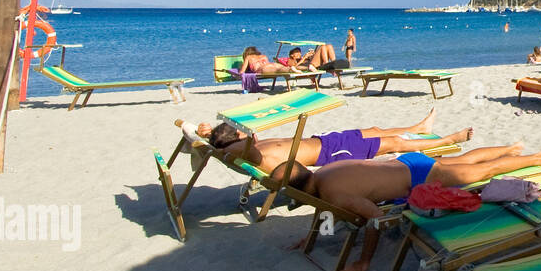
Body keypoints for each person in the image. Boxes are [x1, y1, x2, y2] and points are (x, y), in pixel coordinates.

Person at [289, 143, 541, 271]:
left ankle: (538, 158)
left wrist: (363, 262)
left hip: (418, 176)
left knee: (481, 172)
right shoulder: (323, 173)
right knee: (464, 161)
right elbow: (329, 208)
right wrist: (311, 236)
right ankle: (510, 148)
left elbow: (376, 217)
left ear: (302, 193)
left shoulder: (331, 193)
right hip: (405, 162)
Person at [199, 108, 473, 176]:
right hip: (332, 152)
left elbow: (214, 144)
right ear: (236, 138)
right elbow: (224, 149)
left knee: (375, 129)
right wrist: (209, 139)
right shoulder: (249, 153)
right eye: (242, 130)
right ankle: (449, 139)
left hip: (326, 141)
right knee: (393, 143)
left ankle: (420, 127)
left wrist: (204, 133)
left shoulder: (254, 147)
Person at [240, 46, 304, 76]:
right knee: (281, 68)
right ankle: (300, 68)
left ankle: (290, 69)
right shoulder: (263, 56)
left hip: (263, 68)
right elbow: (268, 64)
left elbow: (242, 72)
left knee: (278, 70)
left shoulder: (248, 57)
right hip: (272, 64)